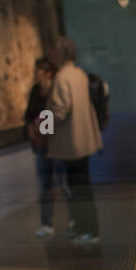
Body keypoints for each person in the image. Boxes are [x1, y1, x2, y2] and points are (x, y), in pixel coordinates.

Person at [46, 37, 103, 245]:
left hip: (71, 142)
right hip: (83, 140)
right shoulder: (79, 74)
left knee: (77, 188)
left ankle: (87, 228)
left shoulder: (62, 77)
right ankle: (85, 226)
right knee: (81, 186)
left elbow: (60, 110)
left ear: (59, 53)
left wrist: (43, 126)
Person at [25, 57, 67, 238]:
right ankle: (47, 223)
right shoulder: (36, 91)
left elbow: (57, 115)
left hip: (56, 143)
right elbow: (29, 115)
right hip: (42, 144)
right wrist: (33, 131)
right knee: (45, 186)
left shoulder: (56, 90)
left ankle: (74, 220)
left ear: (48, 72)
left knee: (65, 184)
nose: (36, 73)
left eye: (39, 70)